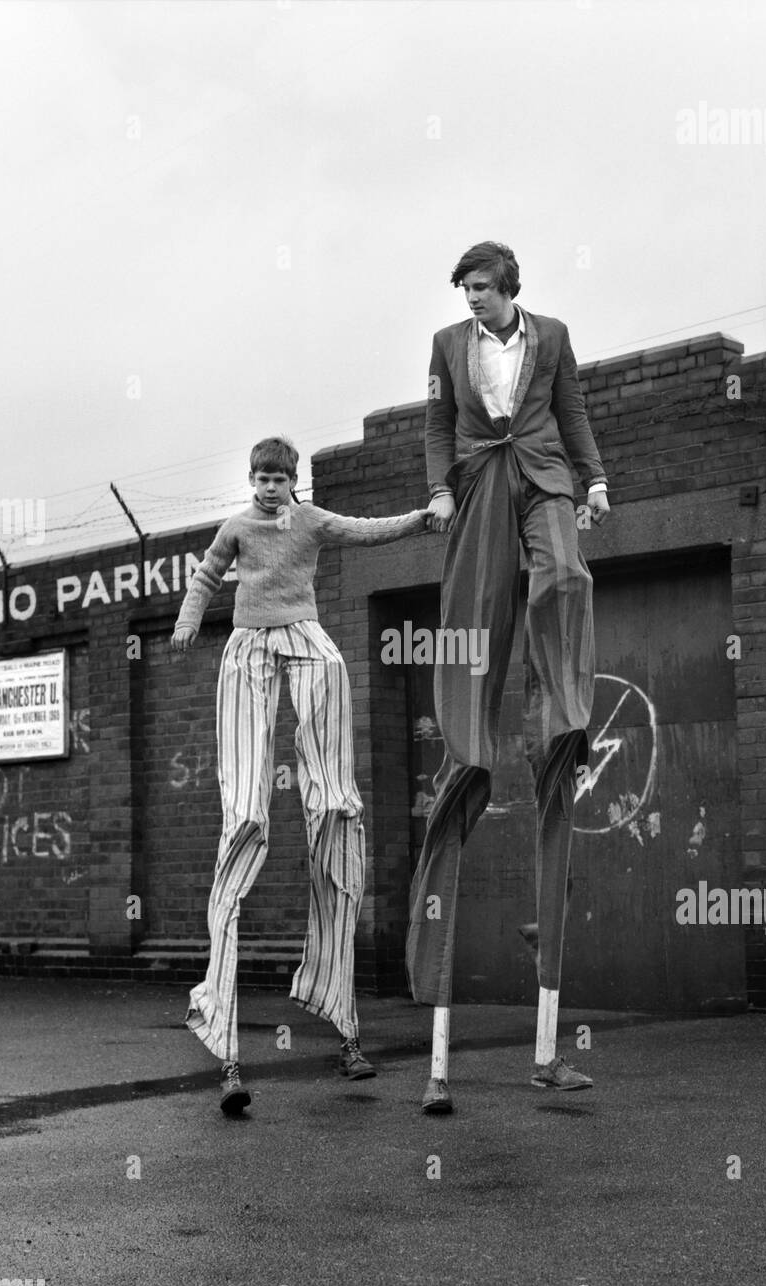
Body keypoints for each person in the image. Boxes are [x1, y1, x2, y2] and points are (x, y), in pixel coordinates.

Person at [407, 241, 610, 1114]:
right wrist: (439, 489)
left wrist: (596, 480)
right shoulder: (449, 347)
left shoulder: (553, 336)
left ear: (511, 289)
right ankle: (471, 737)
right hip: (481, 482)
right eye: (465, 291)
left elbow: (571, 411)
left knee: (564, 576)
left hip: (545, 475)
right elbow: (434, 423)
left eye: (483, 289)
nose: (473, 302)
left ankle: (565, 710)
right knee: (475, 617)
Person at [172, 436, 429, 1114]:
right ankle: (222, 1037)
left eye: (280, 479)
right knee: (247, 820)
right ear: (249, 479)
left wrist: (422, 517)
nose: (269, 488)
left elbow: (365, 530)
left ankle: (344, 1025)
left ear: (294, 482)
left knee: (338, 814)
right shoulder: (237, 527)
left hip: (307, 642)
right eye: (260, 477)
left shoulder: (313, 520)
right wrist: (187, 620)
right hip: (248, 650)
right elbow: (205, 575)